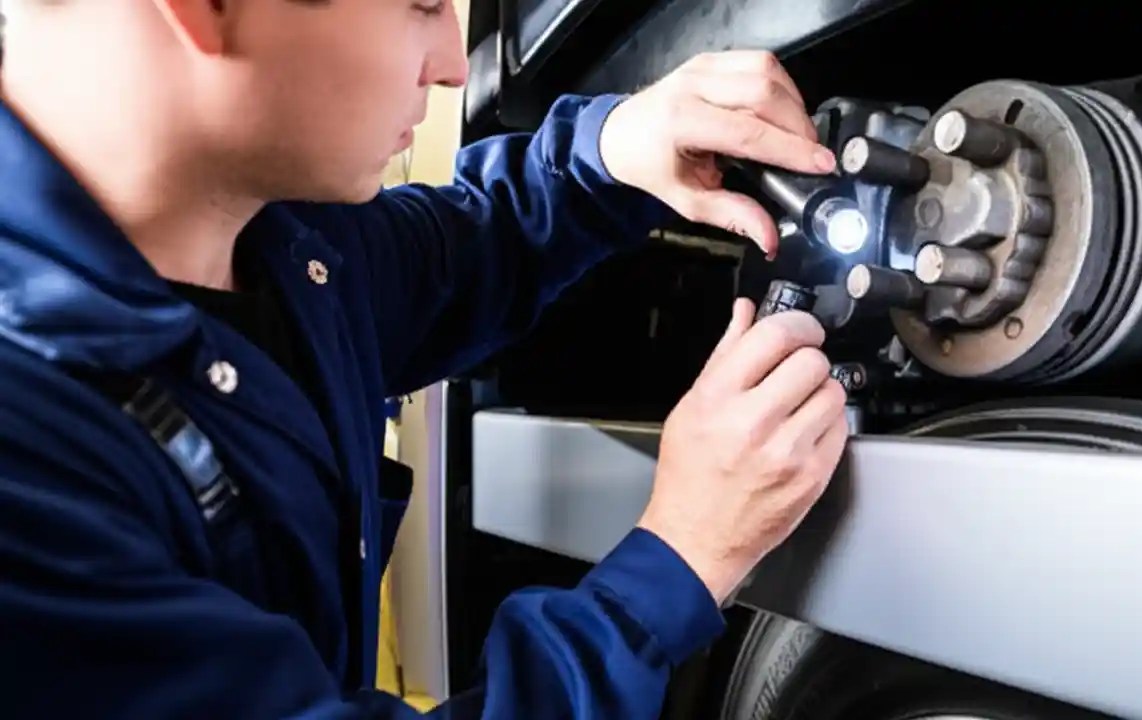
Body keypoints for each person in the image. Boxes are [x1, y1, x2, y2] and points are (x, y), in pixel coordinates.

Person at [0, 1, 850, 717]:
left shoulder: (268, 240)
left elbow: (460, 245)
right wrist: (683, 554)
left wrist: (609, 150)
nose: (450, 62)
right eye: (416, 4)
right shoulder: (29, 466)